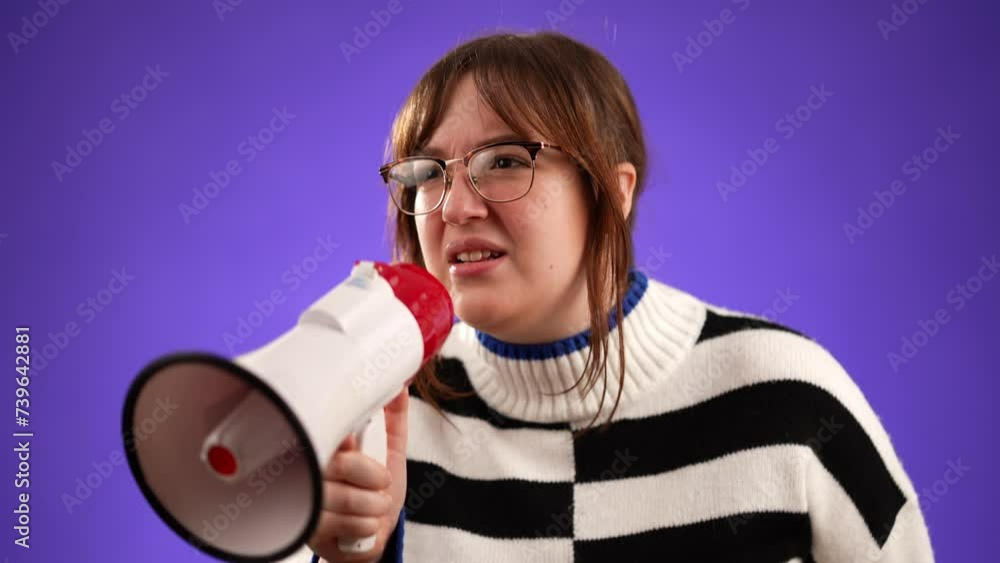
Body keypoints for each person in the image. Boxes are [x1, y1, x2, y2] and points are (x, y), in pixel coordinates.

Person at [308, 31, 934, 563]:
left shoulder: (787, 397)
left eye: (503, 161)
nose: (457, 206)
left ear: (613, 189)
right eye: (427, 172)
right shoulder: (381, 408)